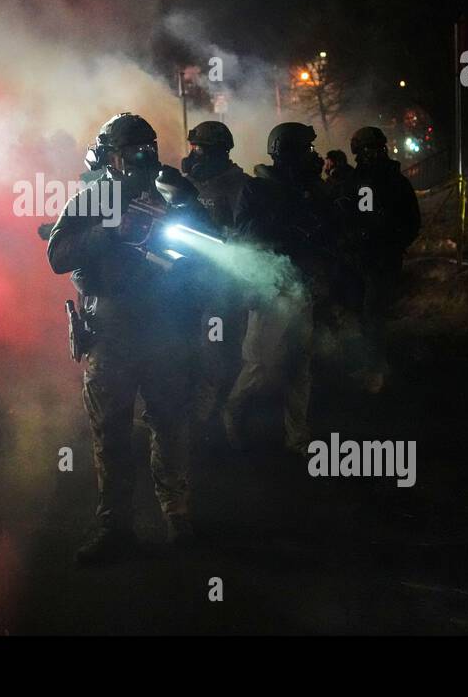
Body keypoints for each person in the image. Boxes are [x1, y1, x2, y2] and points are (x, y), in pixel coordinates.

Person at [48, 113, 212, 566]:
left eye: (149, 148)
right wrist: (110, 232)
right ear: (111, 158)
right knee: (112, 435)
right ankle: (115, 525)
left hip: (165, 333)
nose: (144, 158)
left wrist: (181, 223)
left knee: (171, 426)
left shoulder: (173, 192)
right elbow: (58, 255)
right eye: (132, 150)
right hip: (112, 337)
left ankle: (177, 516)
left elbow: (211, 250)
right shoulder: (93, 199)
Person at [223, 122, 333, 453]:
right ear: (287, 153)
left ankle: (297, 436)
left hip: (302, 286)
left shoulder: (310, 189)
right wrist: (289, 208)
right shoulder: (258, 190)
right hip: (271, 289)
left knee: (299, 364)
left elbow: (325, 235)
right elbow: (248, 236)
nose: (313, 156)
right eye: (306, 150)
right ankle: (232, 417)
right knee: (258, 364)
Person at [338, 126, 421, 393]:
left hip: (381, 259)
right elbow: (344, 214)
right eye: (368, 149)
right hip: (359, 258)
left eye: (376, 149)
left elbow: (411, 222)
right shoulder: (354, 180)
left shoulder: (395, 182)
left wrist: (390, 244)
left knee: (374, 315)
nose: (373, 154)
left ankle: (376, 369)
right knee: (362, 313)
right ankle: (371, 363)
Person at [180, 120, 250, 431]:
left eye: (199, 149)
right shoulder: (191, 184)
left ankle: (215, 411)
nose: (193, 155)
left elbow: (243, 236)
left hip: (221, 285)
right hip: (188, 279)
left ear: (218, 153)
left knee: (217, 346)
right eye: (192, 148)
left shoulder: (239, 186)